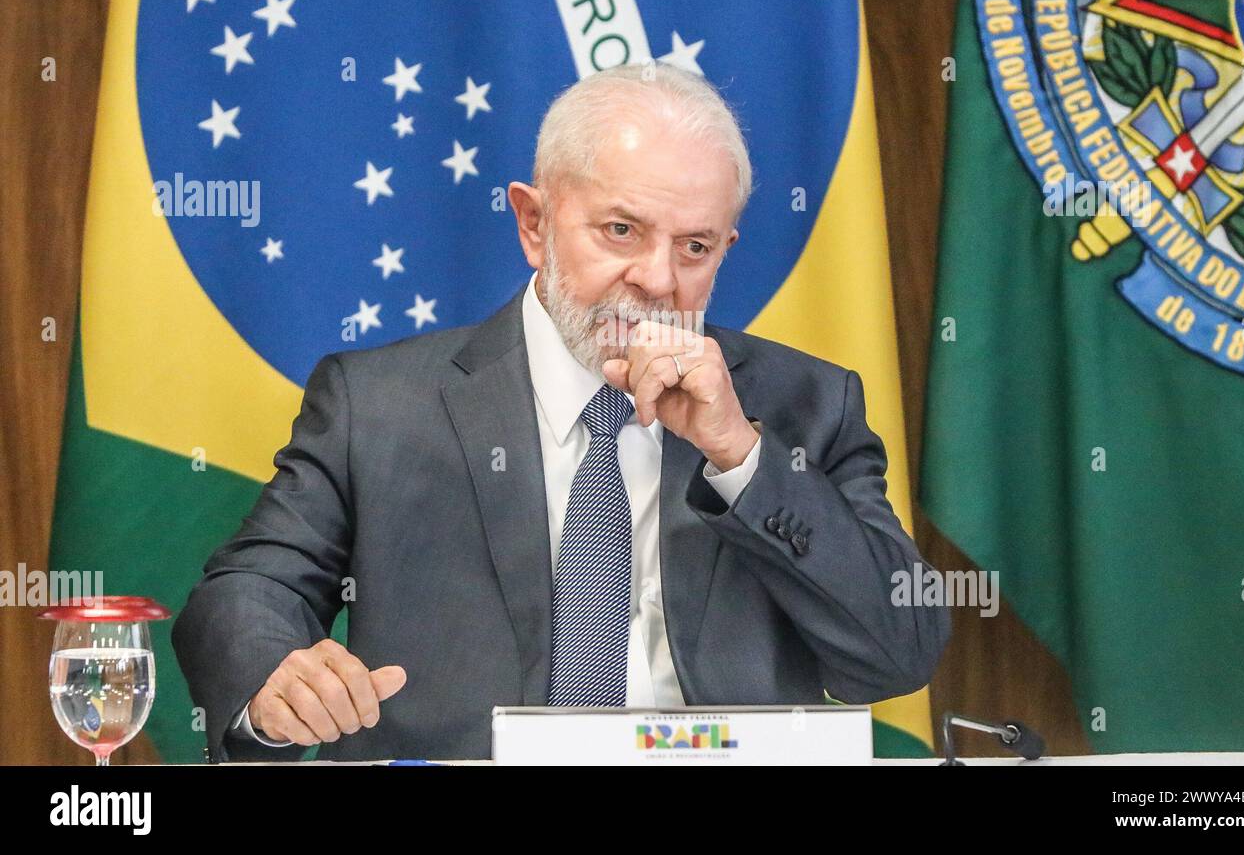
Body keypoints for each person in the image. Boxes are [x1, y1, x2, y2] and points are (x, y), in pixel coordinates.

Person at [173, 62, 951, 762]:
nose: (656, 278)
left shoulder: (804, 406)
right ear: (534, 224)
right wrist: (277, 674)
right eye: (622, 230)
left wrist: (740, 457)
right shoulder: (379, 405)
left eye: (695, 248)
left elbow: (900, 650)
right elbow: (246, 591)